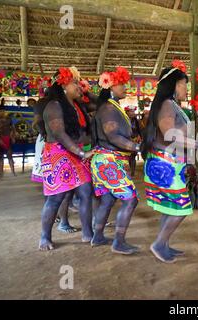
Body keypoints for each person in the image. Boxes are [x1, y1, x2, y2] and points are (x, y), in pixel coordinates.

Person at [142, 60, 198, 263]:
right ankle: (159, 244)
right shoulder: (167, 104)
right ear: (176, 85)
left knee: (170, 207)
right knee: (181, 207)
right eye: (184, 84)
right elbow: (170, 134)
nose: (187, 88)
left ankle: (164, 244)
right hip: (164, 164)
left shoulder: (171, 105)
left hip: (168, 163)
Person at [39, 66, 94, 250]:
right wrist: (82, 153)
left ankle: (88, 234)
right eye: (75, 82)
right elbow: (61, 135)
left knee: (86, 193)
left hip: (77, 154)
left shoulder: (77, 105)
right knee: (56, 198)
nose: (79, 86)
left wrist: (87, 90)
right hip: (58, 156)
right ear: (63, 86)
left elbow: (100, 104)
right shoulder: (54, 106)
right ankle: (45, 237)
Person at [90, 67, 140, 255]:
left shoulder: (111, 107)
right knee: (131, 199)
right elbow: (113, 137)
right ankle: (119, 242)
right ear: (111, 86)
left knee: (107, 200)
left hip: (106, 160)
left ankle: (98, 236)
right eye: (122, 84)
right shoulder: (109, 108)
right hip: (109, 161)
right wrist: (137, 148)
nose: (125, 87)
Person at [0, 109, 16, 177]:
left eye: (2, 111)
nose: (1, 112)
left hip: (8, 138)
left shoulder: (8, 119)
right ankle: (1, 173)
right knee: (0, 157)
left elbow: (13, 128)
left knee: (9, 156)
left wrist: (13, 137)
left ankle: (13, 172)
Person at [125, 106, 143, 177]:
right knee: (127, 156)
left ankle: (133, 171)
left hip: (134, 140)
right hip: (126, 140)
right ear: (127, 112)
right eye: (131, 111)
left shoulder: (135, 120)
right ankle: (128, 171)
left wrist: (140, 136)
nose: (133, 113)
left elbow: (139, 130)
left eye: (133, 111)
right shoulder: (124, 120)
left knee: (133, 156)